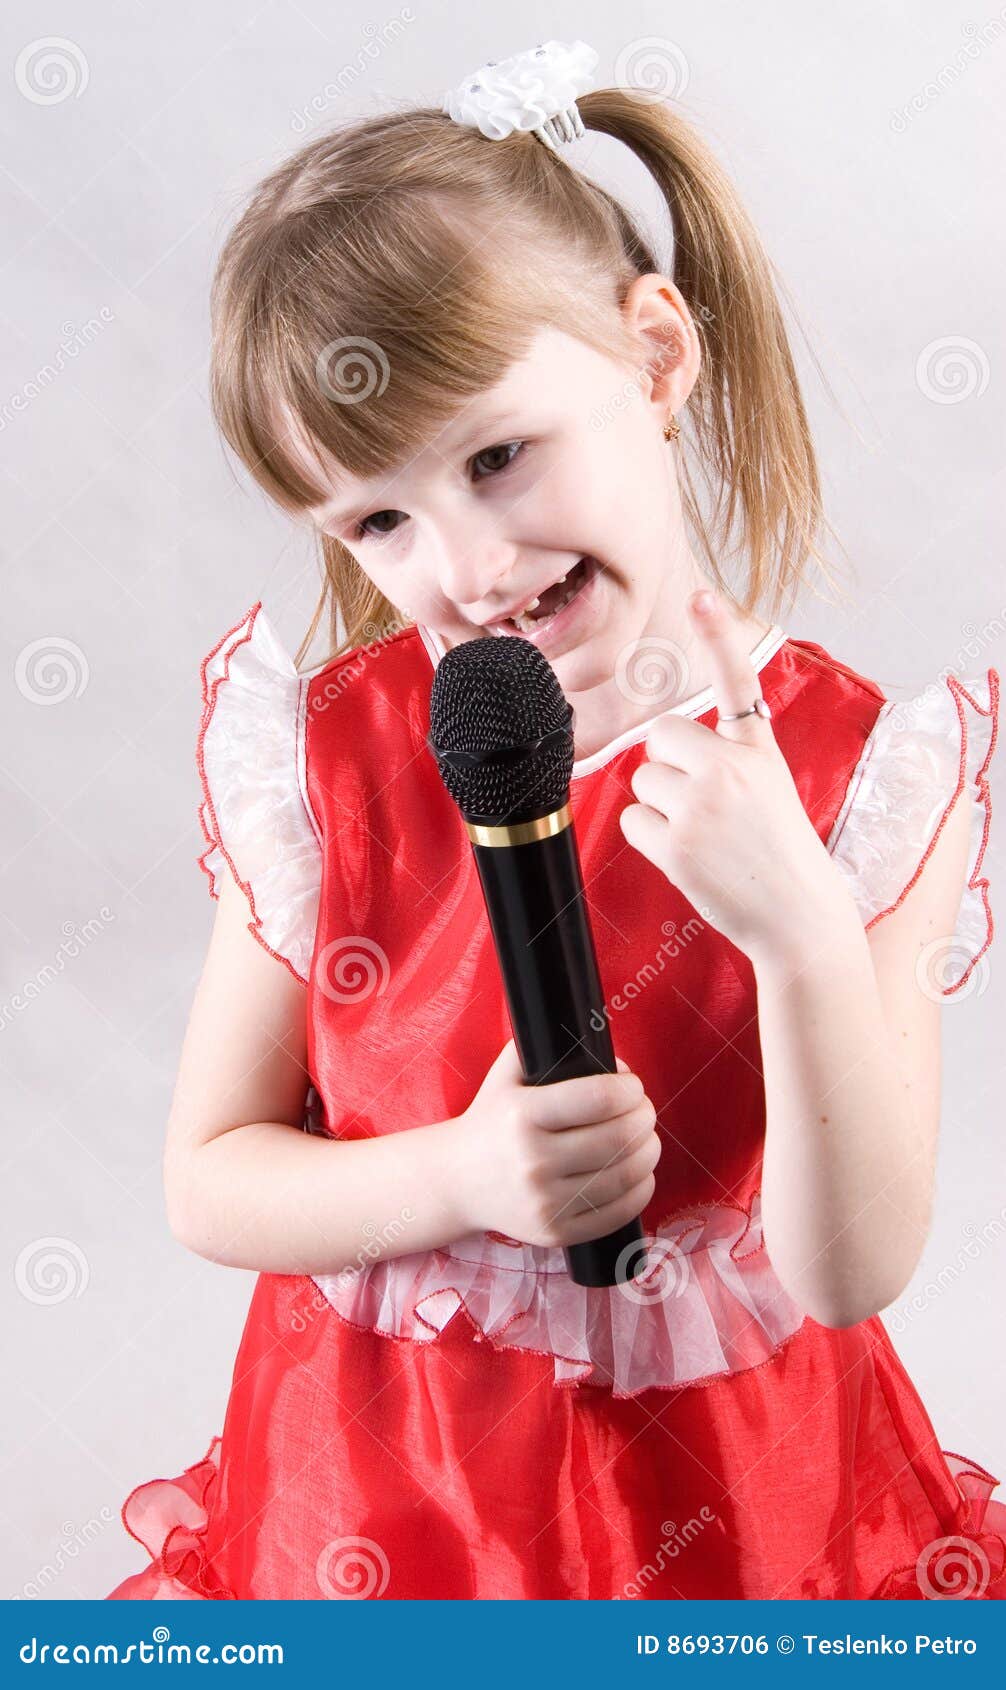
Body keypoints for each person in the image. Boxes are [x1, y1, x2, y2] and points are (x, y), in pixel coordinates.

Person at [107, 42, 1003, 1600]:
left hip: (734, 1520)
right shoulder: (332, 766)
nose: (462, 562)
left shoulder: (861, 778)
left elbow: (848, 1269)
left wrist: (795, 930)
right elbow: (211, 1175)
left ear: (655, 360)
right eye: (378, 517)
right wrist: (458, 1173)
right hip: (390, 1509)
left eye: (498, 456)